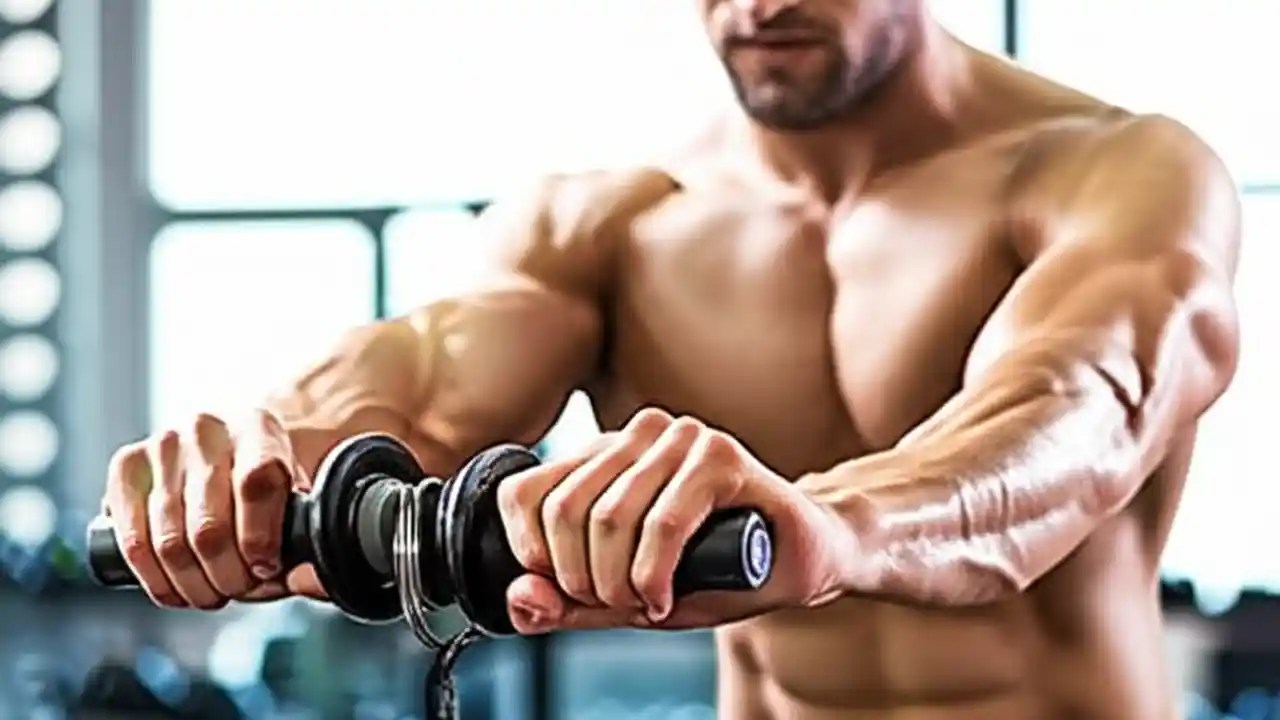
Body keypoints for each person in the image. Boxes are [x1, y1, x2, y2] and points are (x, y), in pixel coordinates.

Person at [100, 1, 1242, 717]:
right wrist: (271, 469)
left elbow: (1077, 405)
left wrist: (834, 526)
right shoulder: (611, 225)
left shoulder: (1115, 170)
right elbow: (423, 376)